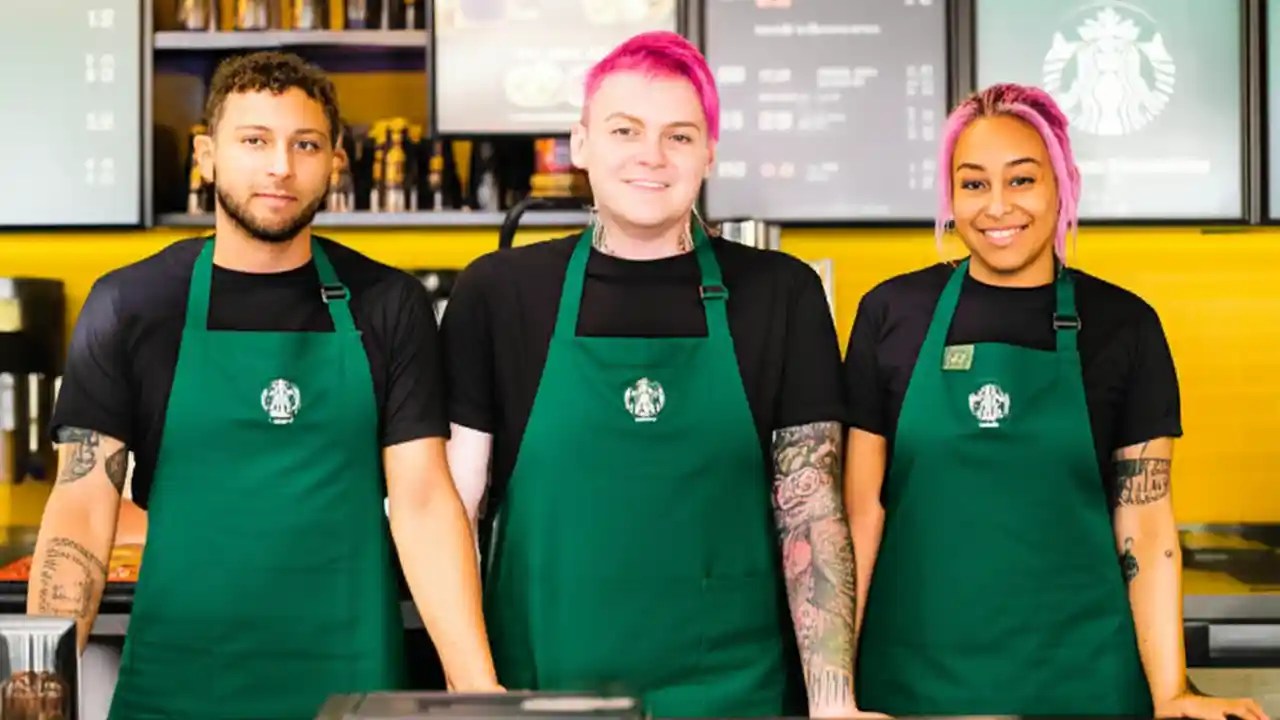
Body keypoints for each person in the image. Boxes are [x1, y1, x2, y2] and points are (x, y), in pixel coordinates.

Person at [27, 51, 500, 719]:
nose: (280, 165)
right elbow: (81, 503)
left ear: (335, 162)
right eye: (254, 141)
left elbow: (422, 500)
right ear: (206, 155)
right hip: (176, 688)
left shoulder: (387, 305)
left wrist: (476, 689)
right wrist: (38, 687)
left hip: (353, 689)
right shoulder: (130, 305)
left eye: (304, 144)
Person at [441, 31, 857, 718]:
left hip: (735, 697)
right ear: (581, 143)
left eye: (679, 135)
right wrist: (478, 694)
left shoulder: (780, 293)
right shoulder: (500, 292)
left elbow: (809, 509)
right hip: (542, 694)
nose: (651, 157)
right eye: (625, 130)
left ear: (710, 151)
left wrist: (833, 702)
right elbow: (455, 505)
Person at [843, 82, 1269, 720]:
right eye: (974, 183)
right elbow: (858, 514)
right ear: (951, 197)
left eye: (1022, 180)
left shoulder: (1124, 326)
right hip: (911, 687)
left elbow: (1145, 525)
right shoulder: (891, 313)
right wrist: (835, 695)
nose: (997, 207)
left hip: (1083, 686)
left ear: (1063, 182)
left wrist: (1171, 693)